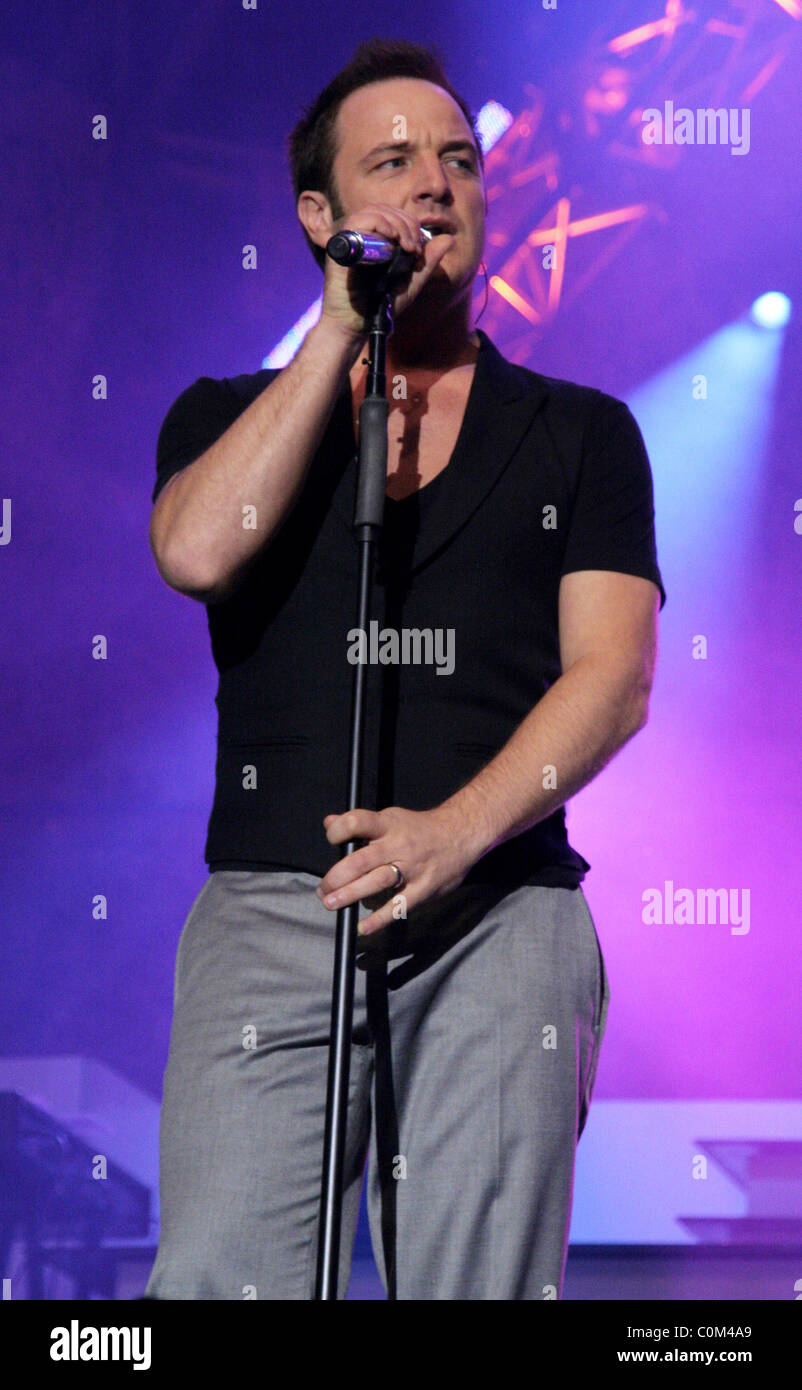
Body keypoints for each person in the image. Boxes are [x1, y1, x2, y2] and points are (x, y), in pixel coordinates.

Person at [144, 38, 666, 1301]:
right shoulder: (227, 411)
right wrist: (340, 331)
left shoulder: (581, 434)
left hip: (499, 911)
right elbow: (198, 550)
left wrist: (456, 834)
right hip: (277, 906)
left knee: (476, 1284)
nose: (436, 187)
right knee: (222, 1275)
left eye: (459, 162)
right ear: (318, 216)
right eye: (392, 163)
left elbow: (614, 677)